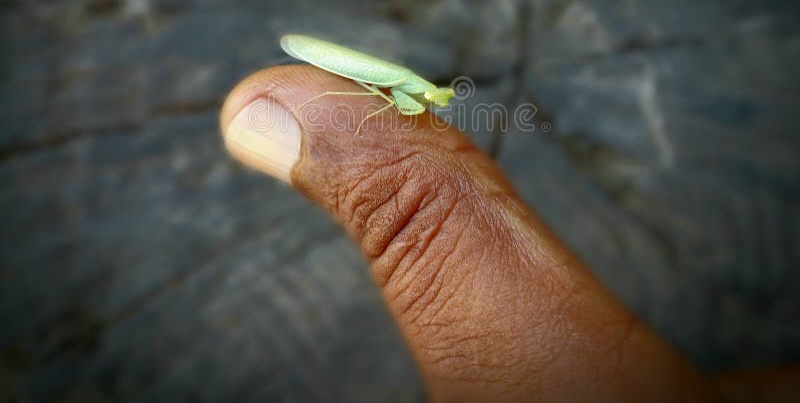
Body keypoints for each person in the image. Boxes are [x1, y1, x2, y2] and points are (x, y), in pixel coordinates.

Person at [221, 65, 798, 402]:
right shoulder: (411, 90)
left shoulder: (421, 97)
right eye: (440, 99)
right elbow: (382, 95)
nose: (441, 103)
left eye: (441, 100)